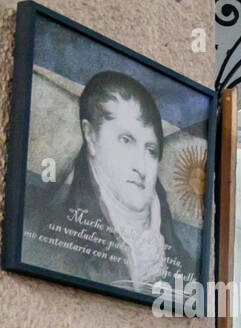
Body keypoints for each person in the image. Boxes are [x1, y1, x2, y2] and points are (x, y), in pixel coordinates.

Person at [25, 70, 193, 293]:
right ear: (91, 136)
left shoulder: (188, 267)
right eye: (126, 140)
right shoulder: (43, 236)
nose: (141, 166)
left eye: (151, 150)